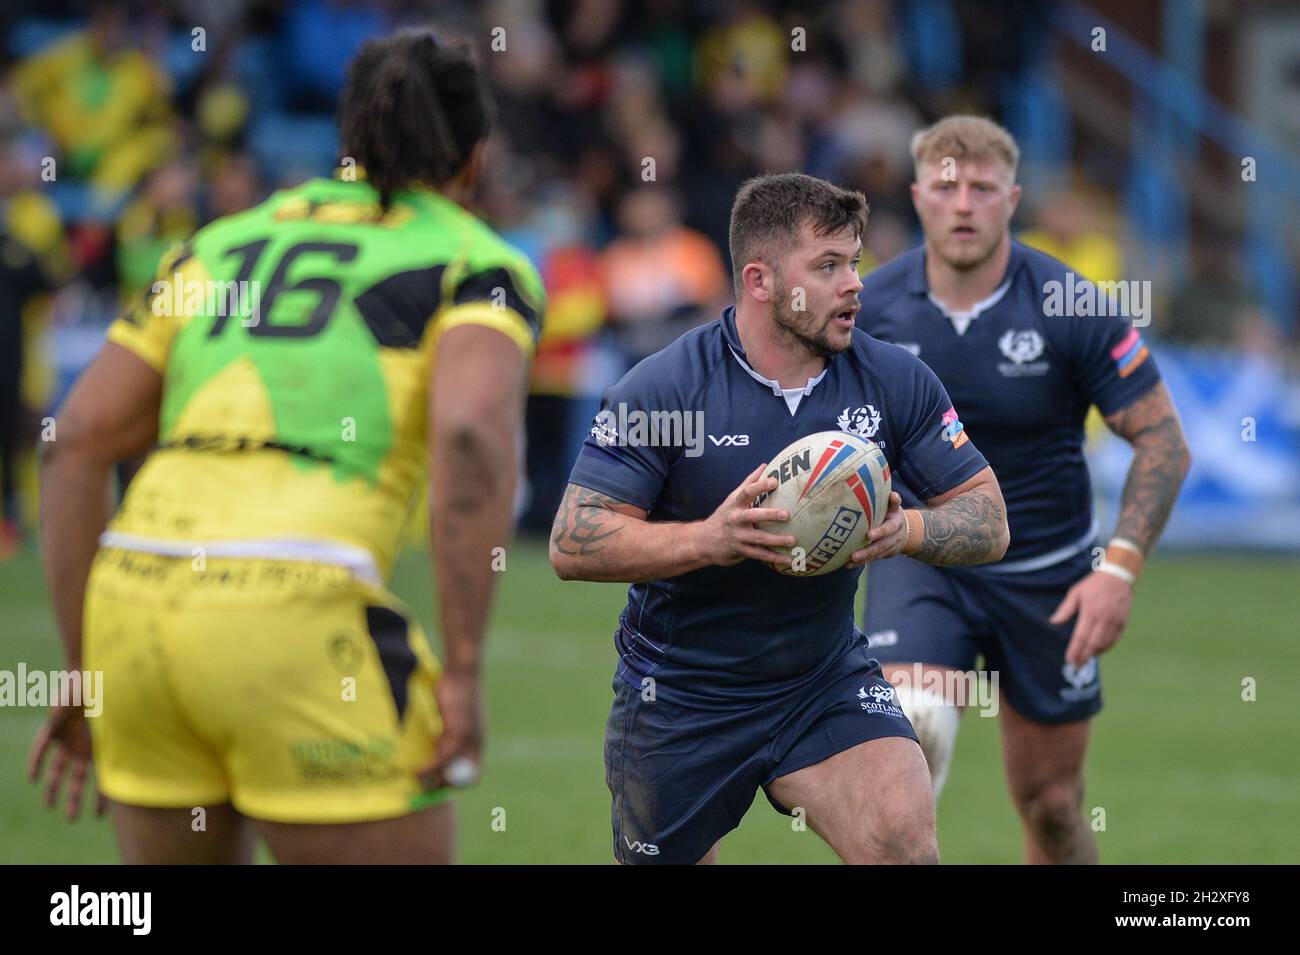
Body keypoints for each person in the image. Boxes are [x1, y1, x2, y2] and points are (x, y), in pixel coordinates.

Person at [30, 30, 545, 864]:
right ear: (474, 160)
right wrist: (464, 668)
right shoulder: (474, 261)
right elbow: (466, 432)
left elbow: (76, 440)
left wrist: (84, 666)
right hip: (299, 608)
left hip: (134, 603)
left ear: (346, 140)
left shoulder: (219, 243)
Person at [550, 172, 1009, 865]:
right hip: (681, 695)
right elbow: (572, 540)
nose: (855, 283)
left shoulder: (893, 379)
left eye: (854, 262)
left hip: (822, 678)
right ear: (760, 280)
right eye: (827, 266)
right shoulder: (666, 387)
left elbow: (990, 519)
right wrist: (712, 538)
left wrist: (905, 530)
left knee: (904, 846)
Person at [857, 115, 1190, 863]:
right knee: (913, 730)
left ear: (1013, 198)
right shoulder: (869, 308)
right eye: (947, 187)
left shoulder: (1072, 303)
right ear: (918, 197)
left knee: (1053, 807)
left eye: (982, 187)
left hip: (1050, 578)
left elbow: (1164, 440)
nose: (964, 204)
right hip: (924, 559)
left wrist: (1119, 570)